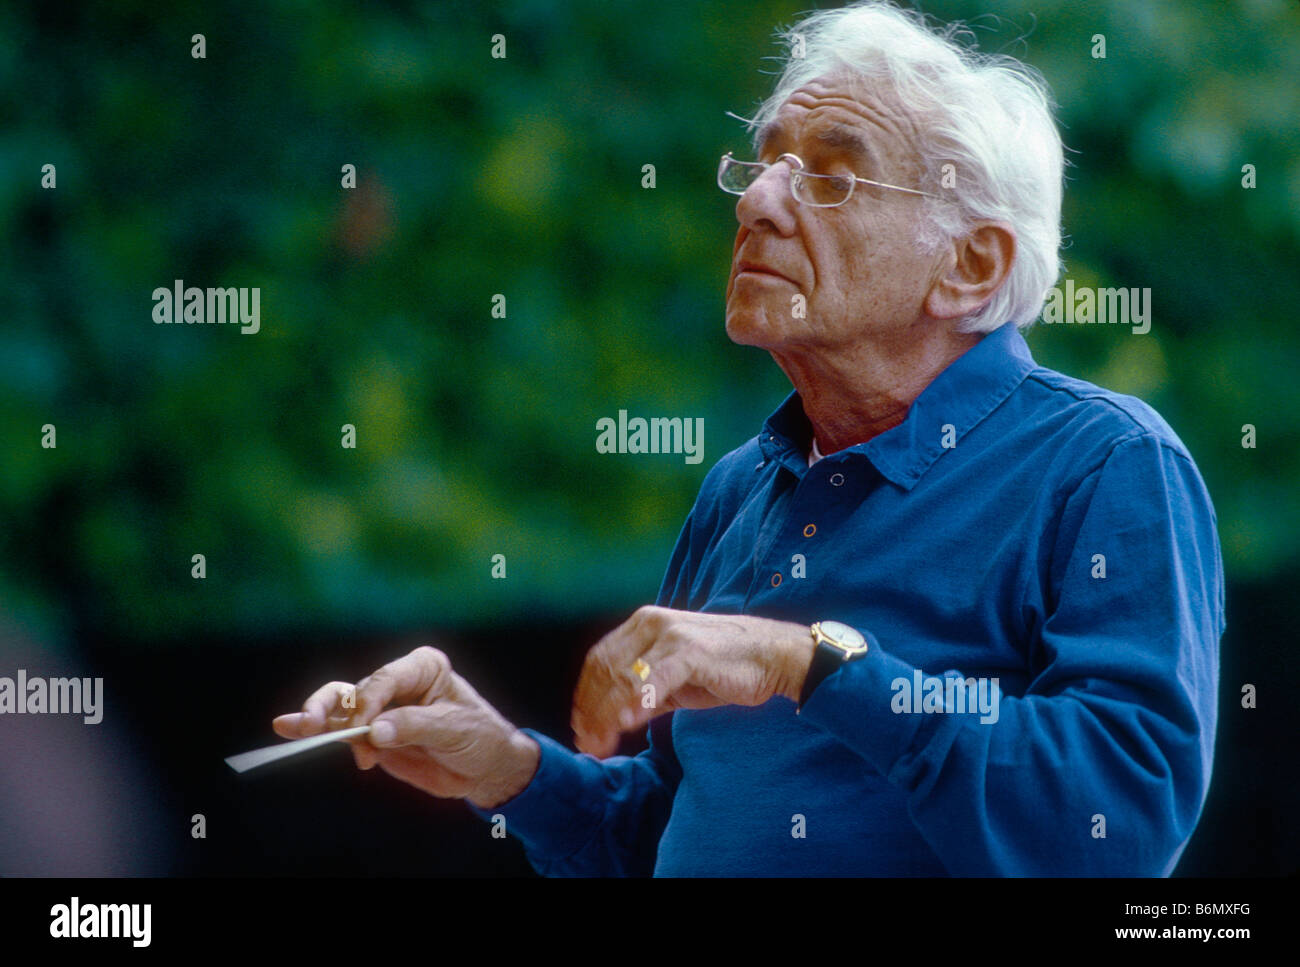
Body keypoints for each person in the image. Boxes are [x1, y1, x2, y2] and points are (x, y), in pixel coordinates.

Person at [273, 0, 1223, 876]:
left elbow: (1118, 823)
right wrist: (508, 769)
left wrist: (807, 664)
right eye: (765, 162)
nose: (759, 200)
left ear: (971, 266)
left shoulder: (1104, 463)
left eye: (832, 177)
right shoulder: (744, 487)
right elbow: (665, 832)